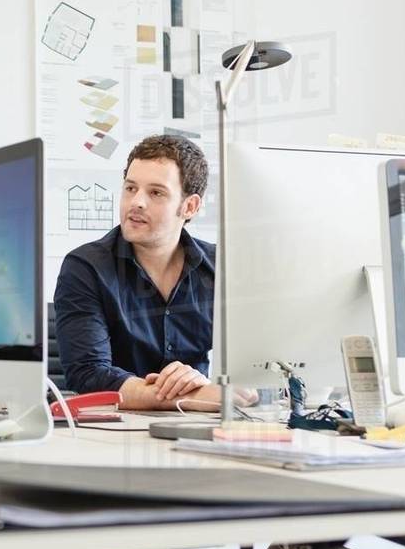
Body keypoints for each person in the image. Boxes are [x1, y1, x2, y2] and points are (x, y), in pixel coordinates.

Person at [54, 135, 255, 410]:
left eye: (156, 192)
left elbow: (256, 372)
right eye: (130, 188)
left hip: (196, 426)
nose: (137, 202)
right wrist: (191, 396)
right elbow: (88, 375)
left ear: (190, 206)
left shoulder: (221, 267)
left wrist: (220, 390)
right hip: (114, 432)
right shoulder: (86, 267)